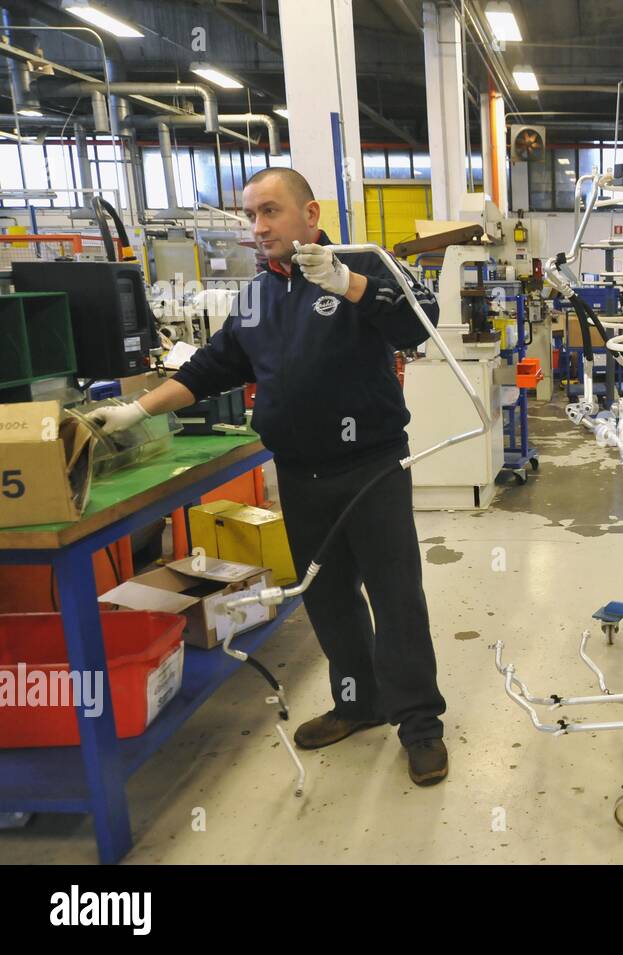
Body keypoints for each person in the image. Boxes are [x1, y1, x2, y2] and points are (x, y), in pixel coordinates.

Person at [87, 167, 451, 787]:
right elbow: (211, 367)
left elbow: (418, 324)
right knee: (328, 599)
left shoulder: (363, 264)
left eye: (270, 212)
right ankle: (359, 704)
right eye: (251, 215)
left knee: (396, 601)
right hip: (300, 472)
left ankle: (420, 726)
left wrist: (351, 284)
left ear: (309, 214)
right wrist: (135, 409)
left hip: (370, 468)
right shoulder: (255, 296)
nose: (257, 227)